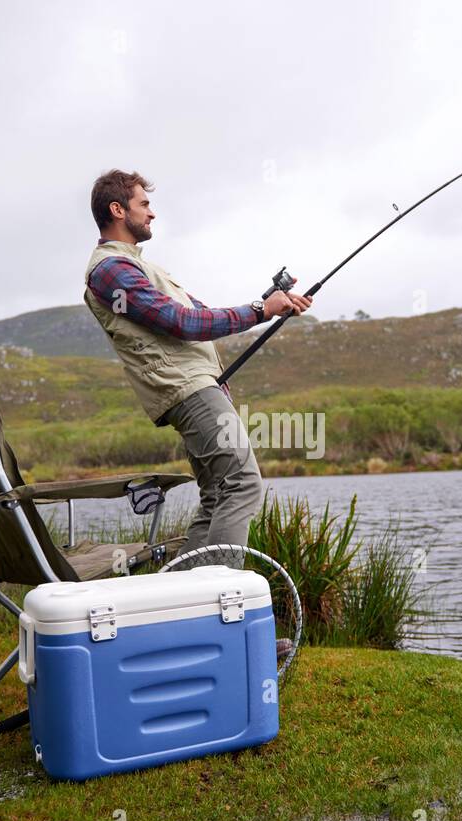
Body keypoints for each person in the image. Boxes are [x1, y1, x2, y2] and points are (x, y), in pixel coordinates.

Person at [82, 168, 312, 575]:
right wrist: (262, 311)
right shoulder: (110, 270)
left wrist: (270, 305)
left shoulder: (138, 268)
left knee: (218, 495)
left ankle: (178, 604)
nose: (152, 214)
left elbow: (201, 314)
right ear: (118, 209)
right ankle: (219, 608)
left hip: (197, 390)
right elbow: (181, 322)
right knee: (242, 484)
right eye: (144, 204)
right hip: (188, 391)